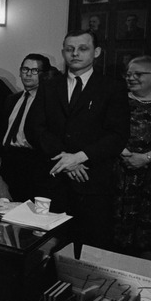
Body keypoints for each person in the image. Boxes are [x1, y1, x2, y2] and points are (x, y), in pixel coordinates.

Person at [31, 30, 130, 253]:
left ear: (96, 52)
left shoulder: (111, 87)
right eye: (69, 49)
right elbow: (35, 128)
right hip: (54, 179)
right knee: (49, 247)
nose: (75, 54)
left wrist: (79, 157)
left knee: (90, 248)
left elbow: (117, 135)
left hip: (93, 181)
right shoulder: (49, 86)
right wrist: (66, 160)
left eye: (82, 48)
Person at [114, 56, 151, 260]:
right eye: (128, 74)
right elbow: (102, 131)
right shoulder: (116, 101)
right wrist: (122, 151)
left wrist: (148, 157)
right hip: (119, 174)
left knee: (149, 238)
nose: (131, 77)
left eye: (139, 74)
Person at [0, 54, 50, 203]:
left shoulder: (47, 100)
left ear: (43, 74)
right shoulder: (12, 98)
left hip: (33, 160)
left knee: (29, 206)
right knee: (8, 203)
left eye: (34, 70)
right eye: (25, 69)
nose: (28, 74)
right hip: (10, 158)